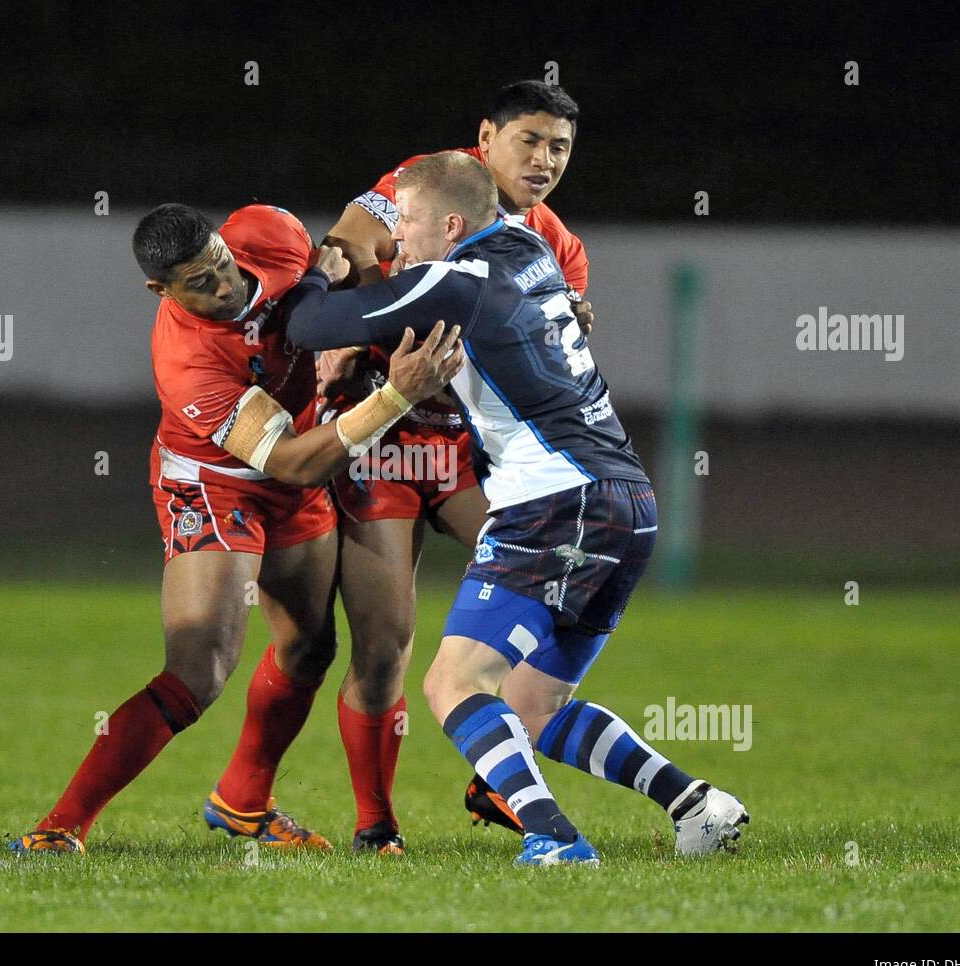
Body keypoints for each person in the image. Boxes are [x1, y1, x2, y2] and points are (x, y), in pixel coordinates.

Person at [283, 153, 749, 864]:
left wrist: (320, 267)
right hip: (628, 500)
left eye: (404, 222)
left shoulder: (454, 279)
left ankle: (554, 838)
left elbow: (311, 323)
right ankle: (697, 805)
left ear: (451, 224)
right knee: (533, 706)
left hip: (557, 503)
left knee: (451, 681)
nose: (395, 240)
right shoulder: (529, 248)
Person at [10, 202, 461, 854]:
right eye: (198, 283)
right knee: (199, 668)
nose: (222, 287)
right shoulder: (186, 359)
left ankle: (244, 800)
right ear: (159, 291)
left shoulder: (269, 231)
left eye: (221, 265)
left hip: (300, 462)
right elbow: (290, 463)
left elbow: (350, 246)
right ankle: (59, 827)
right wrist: (395, 395)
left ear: (228, 239)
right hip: (218, 485)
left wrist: (349, 309)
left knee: (309, 648)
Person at [298, 80, 594, 846]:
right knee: (387, 638)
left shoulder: (555, 239)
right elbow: (346, 241)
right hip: (388, 434)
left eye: (558, 146)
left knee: (566, 578)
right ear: (487, 136)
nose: (542, 160)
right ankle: (376, 825)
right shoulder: (423, 182)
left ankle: (503, 769)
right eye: (528, 140)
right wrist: (335, 309)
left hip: (471, 454)